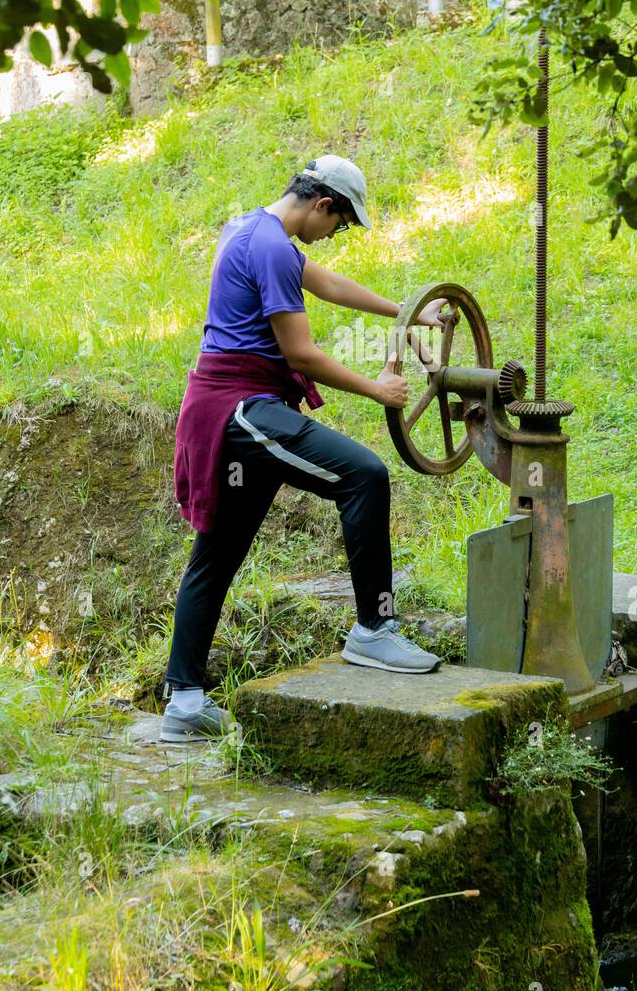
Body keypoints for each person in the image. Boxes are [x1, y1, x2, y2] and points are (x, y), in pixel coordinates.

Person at [160, 154, 449, 742]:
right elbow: (301, 355)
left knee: (217, 554)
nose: (336, 235)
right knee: (364, 474)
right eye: (340, 223)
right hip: (240, 410)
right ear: (322, 204)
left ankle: (184, 700)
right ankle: (374, 628)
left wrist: (408, 312)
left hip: (224, 407)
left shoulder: (256, 230)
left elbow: (328, 285)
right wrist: (377, 389)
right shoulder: (269, 246)